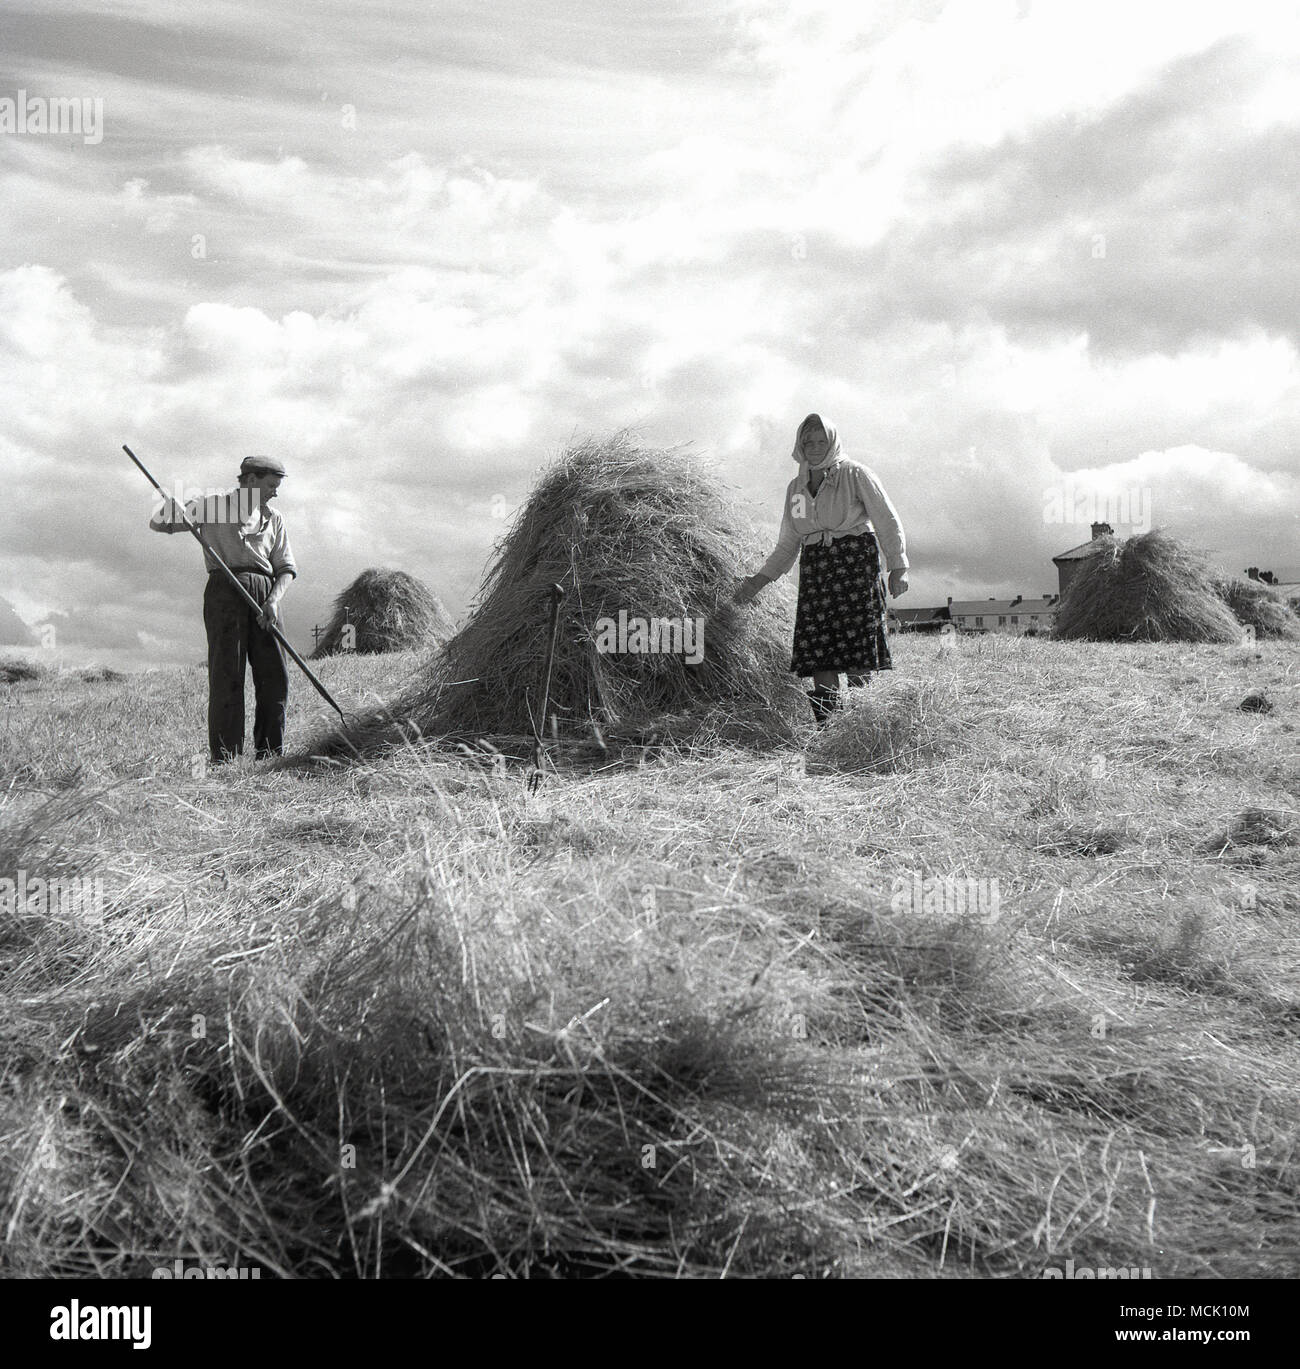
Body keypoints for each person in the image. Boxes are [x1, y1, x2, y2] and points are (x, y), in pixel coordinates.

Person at [734, 413, 908, 726]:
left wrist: (898, 566)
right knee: (820, 652)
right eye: (808, 441)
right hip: (817, 571)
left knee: (857, 652)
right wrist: (757, 582)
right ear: (800, 445)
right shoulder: (797, 490)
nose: (814, 447)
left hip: (855, 566)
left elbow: (886, 520)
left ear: (832, 441)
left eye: (821, 441)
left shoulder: (855, 475)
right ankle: (829, 731)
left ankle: (861, 728)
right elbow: (789, 543)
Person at [150, 455, 297, 762]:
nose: (275, 492)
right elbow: (159, 523)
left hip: (265, 595)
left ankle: (270, 754)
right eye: (271, 485)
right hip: (224, 591)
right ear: (252, 480)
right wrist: (173, 508)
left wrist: (273, 600)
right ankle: (226, 758)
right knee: (227, 674)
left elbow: (285, 567)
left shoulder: (274, 517)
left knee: (275, 676)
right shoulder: (213, 506)